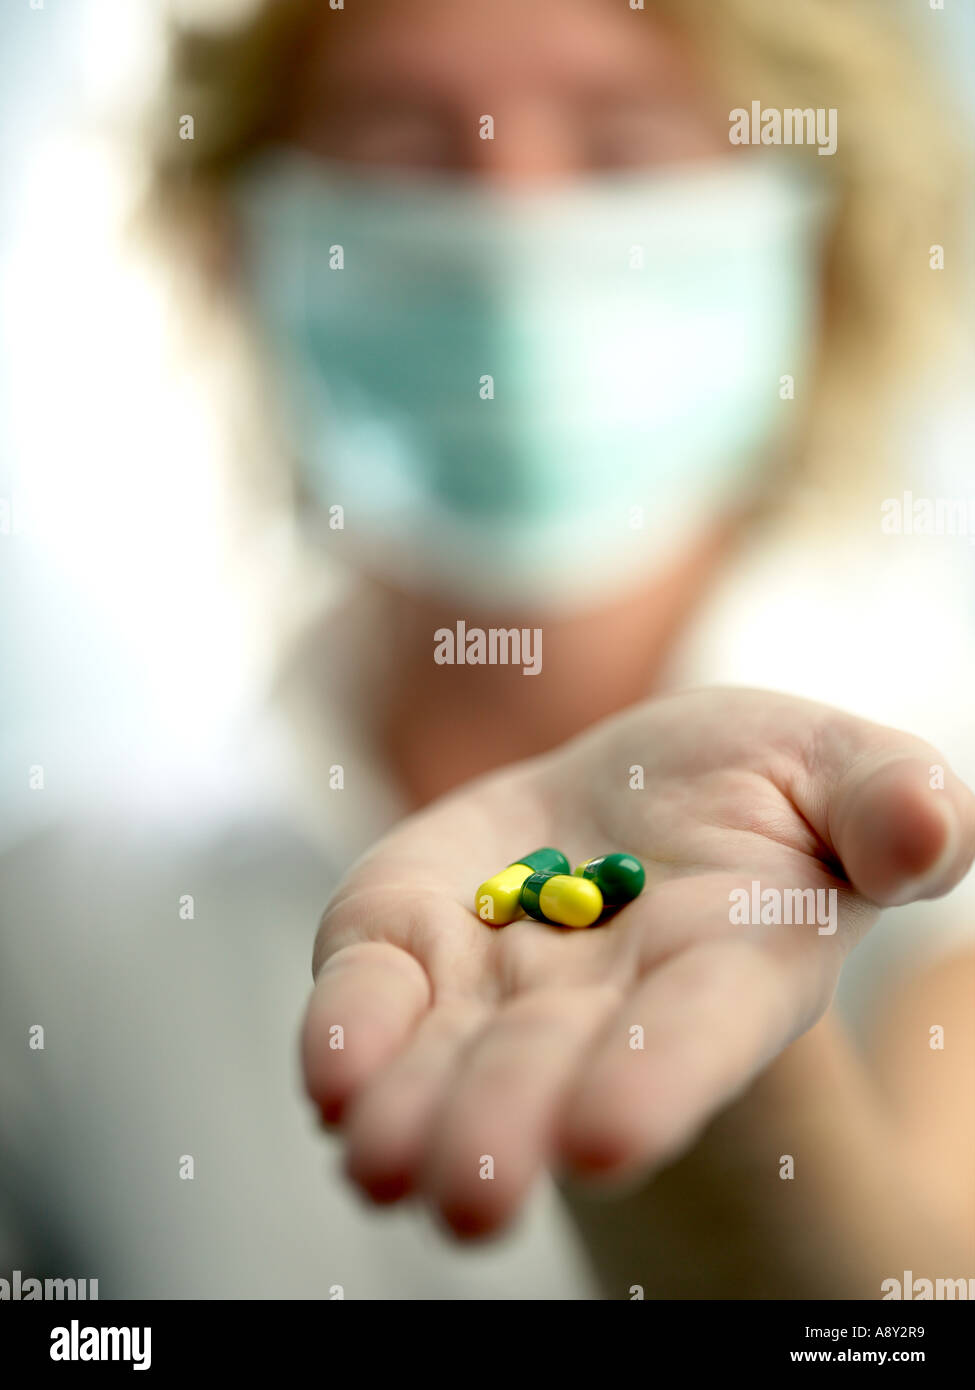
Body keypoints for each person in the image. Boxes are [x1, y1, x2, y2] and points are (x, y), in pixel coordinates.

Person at [1, 0, 973, 1300]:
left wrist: (743, 1175)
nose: (513, 220)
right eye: (406, 143)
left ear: (823, 247)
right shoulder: (61, 930)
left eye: (623, 145)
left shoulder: (932, 827)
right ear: (236, 239)